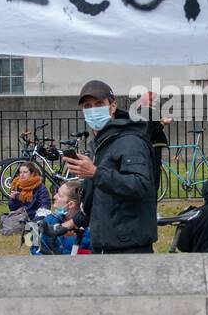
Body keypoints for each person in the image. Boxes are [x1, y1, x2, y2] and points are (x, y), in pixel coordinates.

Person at [63, 80, 157, 254]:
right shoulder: (98, 145)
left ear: (112, 106)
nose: (93, 110)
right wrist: (69, 224)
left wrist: (96, 173)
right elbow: (95, 197)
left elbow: (140, 185)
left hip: (130, 247)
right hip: (104, 244)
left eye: (99, 104)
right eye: (87, 106)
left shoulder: (130, 141)